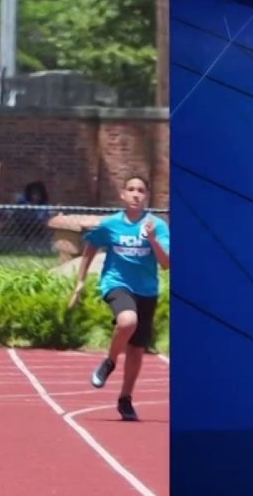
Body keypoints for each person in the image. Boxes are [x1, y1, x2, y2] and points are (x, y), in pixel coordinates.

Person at [68, 175, 170, 422]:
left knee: (136, 350)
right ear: (123, 195)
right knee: (127, 321)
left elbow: (166, 264)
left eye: (141, 190)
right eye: (131, 189)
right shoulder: (111, 224)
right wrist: (80, 281)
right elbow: (91, 245)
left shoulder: (158, 226)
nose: (136, 194)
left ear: (147, 196)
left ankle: (125, 399)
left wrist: (153, 240)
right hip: (117, 284)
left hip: (147, 290)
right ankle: (110, 361)